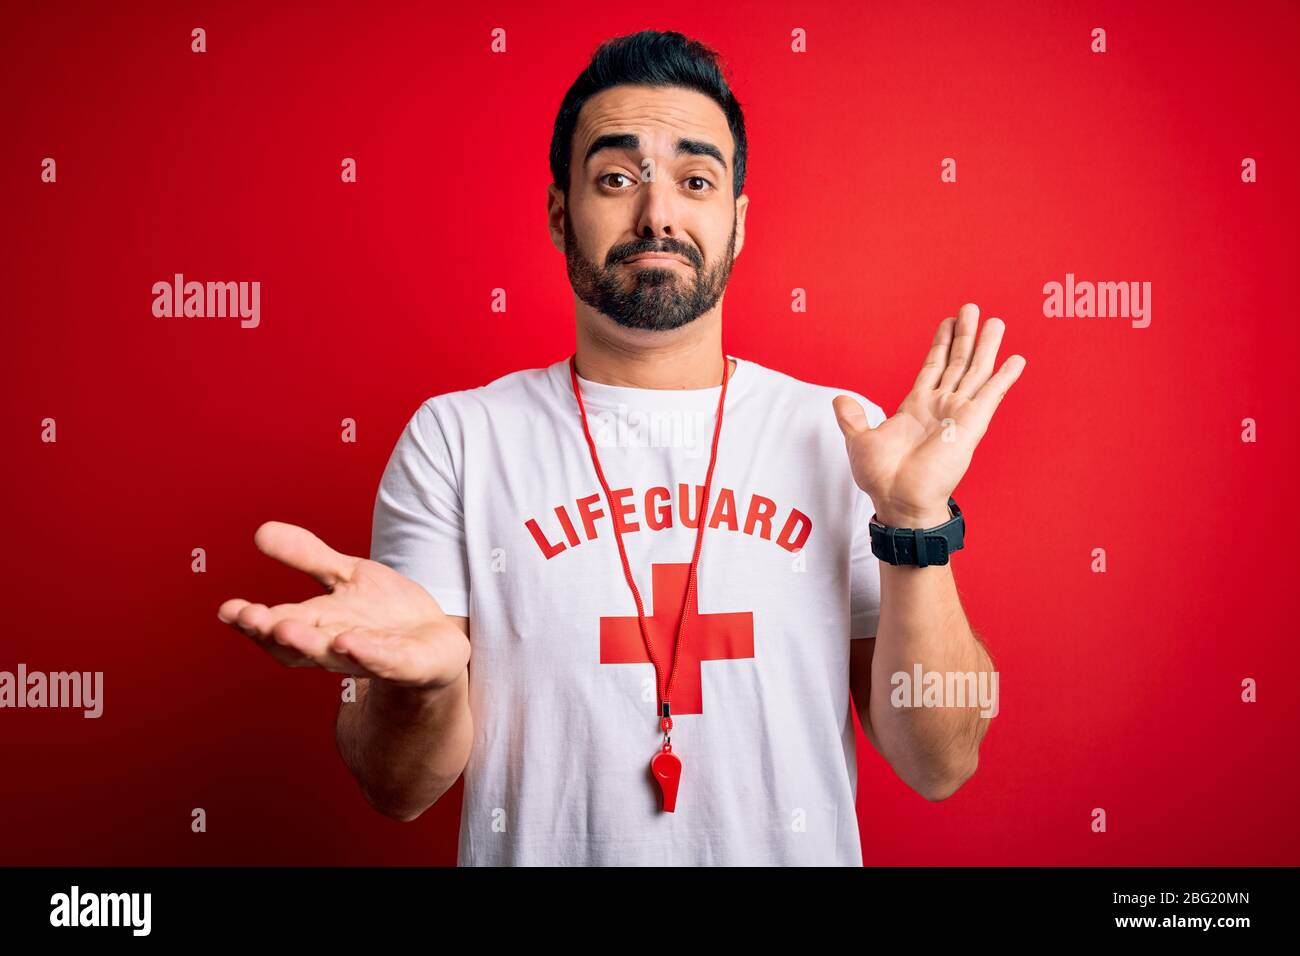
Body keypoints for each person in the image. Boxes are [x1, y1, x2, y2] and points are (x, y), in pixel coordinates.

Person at [217, 29, 1024, 866]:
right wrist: (419, 688)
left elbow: (941, 764)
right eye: (615, 178)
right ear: (561, 214)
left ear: (738, 223)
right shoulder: (458, 439)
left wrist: (915, 521)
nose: (657, 213)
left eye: (695, 181)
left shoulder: (846, 440)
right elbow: (398, 788)